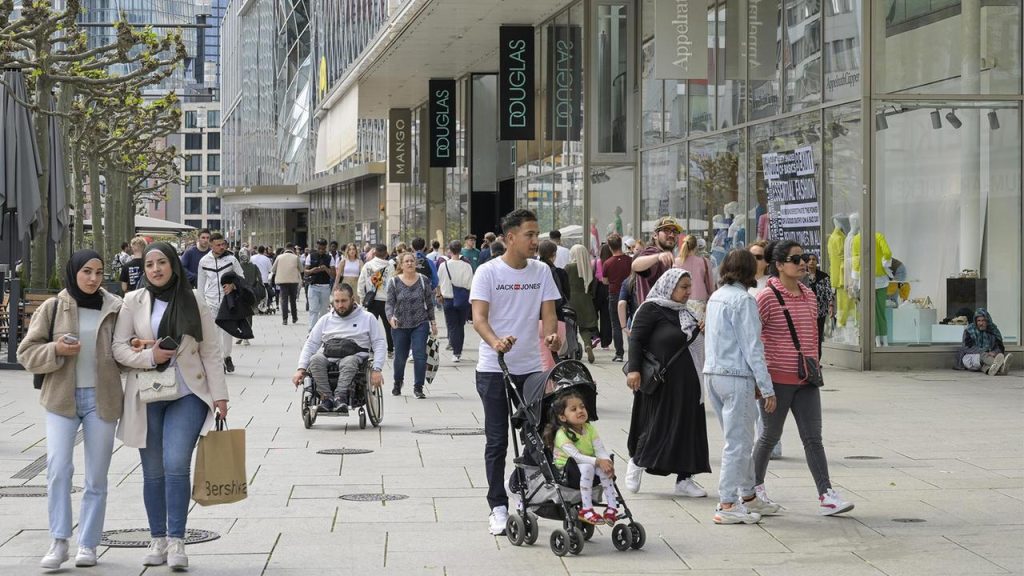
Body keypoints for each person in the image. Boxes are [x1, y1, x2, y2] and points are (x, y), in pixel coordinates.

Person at [112, 243, 229, 570]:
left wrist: (220, 396)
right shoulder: (133, 302)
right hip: (147, 394)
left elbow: (210, 351)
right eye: (149, 264)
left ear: (173, 265)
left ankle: (177, 541)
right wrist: (150, 356)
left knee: (176, 463)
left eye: (162, 262)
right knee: (152, 472)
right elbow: (118, 348)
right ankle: (157, 537)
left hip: (188, 393)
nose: (155, 269)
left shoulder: (195, 300)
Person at [18, 250, 123, 569]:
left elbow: (124, 349)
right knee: (58, 470)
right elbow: (26, 353)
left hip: (102, 400)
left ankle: (89, 544)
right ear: (74, 272)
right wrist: (56, 349)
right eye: (86, 271)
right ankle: (59, 540)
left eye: (99, 272)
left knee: (96, 477)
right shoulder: (54, 307)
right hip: (62, 399)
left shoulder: (115, 307)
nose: (93, 278)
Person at [471, 208, 562, 535]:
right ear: (510, 238)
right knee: (497, 440)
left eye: (537, 234)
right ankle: (497, 505)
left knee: (540, 435)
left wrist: (551, 335)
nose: (536, 240)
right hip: (494, 368)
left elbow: (549, 313)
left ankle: (522, 486)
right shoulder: (487, 272)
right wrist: (496, 342)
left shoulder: (541, 272)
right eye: (530, 235)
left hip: (532, 368)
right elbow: (479, 317)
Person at [754, 240, 854, 516]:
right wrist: (759, 381)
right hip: (777, 380)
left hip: (807, 379)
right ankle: (754, 488)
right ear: (780, 265)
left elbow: (812, 336)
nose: (803, 264)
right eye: (796, 259)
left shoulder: (809, 295)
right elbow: (753, 339)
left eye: (805, 258)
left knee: (813, 438)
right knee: (769, 436)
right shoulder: (766, 296)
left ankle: (826, 494)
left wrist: (815, 368)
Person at [703, 249, 781, 524]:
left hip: (713, 373)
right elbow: (752, 347)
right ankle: (726, 503)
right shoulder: (743, 300)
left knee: (737, 441)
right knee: (738, 443)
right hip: (736, 376)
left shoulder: (716, 296)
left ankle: (748, 495)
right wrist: (767, 387)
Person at [624, 268, 710, 499]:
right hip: (661, 382)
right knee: (655, 425)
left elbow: (694, 342)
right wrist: (633, 371)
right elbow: (636, 340)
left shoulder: (687, 312)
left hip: (688, 382)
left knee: (688, 428)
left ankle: (685, 478)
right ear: (669, 286)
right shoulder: (651, 309)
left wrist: (702, 330)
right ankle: (637, 462)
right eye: (683, 287)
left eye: (688, 287)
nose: (687, 292)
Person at [293, 284, 387, 411]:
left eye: (344, 301)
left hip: (354, 357)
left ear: (352, 300)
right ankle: (326, 398)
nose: (340, 305)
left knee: (349, 361)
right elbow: (311, 344)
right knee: (315, 359)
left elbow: (379, 343)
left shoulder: (367, 318)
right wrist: (301, 368)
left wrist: (377, 369)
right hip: (328, 355)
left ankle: (340, 397)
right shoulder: (325, 319)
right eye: (337, 301)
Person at [544, 391, 620, 526]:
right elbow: (576, 457)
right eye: (573, 409)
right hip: (567, 467)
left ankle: (612, 507)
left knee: (604, 469)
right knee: (588, 467)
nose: (580, 411)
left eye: (582, 407)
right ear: (562, 417)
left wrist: (606, 462)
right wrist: (598, 461)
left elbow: (599, 449)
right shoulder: (562, 434)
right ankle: (586, 509)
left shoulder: (589, 428)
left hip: (587, 461)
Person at [386, 252, 438, 398]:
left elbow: (429, 303)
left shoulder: (423, 280)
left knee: (419, 355)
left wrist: (433, 322)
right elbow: (389, 304)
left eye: (412, 261)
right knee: (400, 357)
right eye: (406, 261)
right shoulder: (394, 282)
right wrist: (390, 317)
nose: (409, 263)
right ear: (401, 265)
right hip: (400, 325)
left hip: (420, 323)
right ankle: (398, 382)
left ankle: (418, 387)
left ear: (415, 263)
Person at [196, 232, 244, 373]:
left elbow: (241, 276)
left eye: (224, 244)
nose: (222, 247)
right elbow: (201, 284)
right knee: (214, 333)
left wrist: (233, 286)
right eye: (218, 245)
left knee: (227, 331)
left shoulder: (231, 259)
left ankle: (227, 356)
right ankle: (218, 361)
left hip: (227, 301)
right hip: (210, 300)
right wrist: (201, 304)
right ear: (211, 245)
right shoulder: (204, 261)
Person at [631, 217, 682, 303]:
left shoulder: (666, 255)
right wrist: (658, 256)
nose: (672, 235)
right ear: (655, 235)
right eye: (666, 230)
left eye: (675, 231)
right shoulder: (653, 251)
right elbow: (635, 265)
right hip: (653, 314)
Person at [439, 240, 474, 363]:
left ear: (450, 250)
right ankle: (458, 351)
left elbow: (440, 282)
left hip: (448, 299)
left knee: (452, 326)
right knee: (460, 326)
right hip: (463, 299)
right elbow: (470, 284)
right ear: (460, 250)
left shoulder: (444, 265)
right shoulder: (467, 266)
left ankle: (455, 352)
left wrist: (439, 294)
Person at [359, 244, 396, 358]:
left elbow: (361, 283)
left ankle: (370, 349)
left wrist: (362, 297)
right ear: (386, 253)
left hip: (372, 301)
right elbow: (392, 284)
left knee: (370, 325)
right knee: (388, 326)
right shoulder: (390, 267)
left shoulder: (368, 265)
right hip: (386, 300)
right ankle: (390, 349)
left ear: (374, 253)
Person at [537, 240, 570, 371]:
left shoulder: (532, 271)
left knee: (536, 362)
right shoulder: (560, 273)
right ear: (554, 254)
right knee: (550, 363)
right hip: (556, 319)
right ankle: (547, 389)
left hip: (533, 320)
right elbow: (565, 297)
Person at [566, 244, 598, 364]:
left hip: (571, 300)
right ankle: (588, 345)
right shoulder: (588, 267)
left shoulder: (569, 267)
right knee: (584, 327)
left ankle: (574, 350)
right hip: (586, 300)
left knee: (571, 326)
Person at [603, 234, 632, 362]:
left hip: (614, 294)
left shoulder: (607, 263)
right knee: (632, 321)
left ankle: (619, 353)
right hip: (630, 293)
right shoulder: (630, 260)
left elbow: (605, 281)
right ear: (621, 244)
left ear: (609, 247)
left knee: (616, 324)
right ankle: (634, 350)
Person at [955, 308, 1012, 375]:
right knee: (982, 355)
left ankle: (989, 370)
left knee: (985, 363)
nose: (981, 323)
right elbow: (966, 347)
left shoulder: (993, 330)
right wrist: (984, 352)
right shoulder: (969, 330)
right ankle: (1002, 366)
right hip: (970, 357)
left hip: (986, 359)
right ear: (975, 321)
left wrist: (994, 352)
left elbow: (1000, 347)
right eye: (978, 321)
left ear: (987, 321)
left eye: (983, 320)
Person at [675, 235, 715, 319]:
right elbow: (711, 286)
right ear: (696, 247)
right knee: (699, 330)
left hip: (680, 301)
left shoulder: (676, 262)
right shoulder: (704, 262)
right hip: (700, 302)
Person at [804, 254, 835, 358]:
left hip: (820, 310)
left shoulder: (823, 276)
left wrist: (831, 305)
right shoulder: (802, 276)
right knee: (808, 336)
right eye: (809, 260)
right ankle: (808, 359)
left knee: (818, 335)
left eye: (814, 259)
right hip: (806, 311)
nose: (811, 261)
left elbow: (828, 292)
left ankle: (817, 359)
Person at [304, 239, 336, 330]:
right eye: (319, 248)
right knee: (313, 310)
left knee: (323, 311)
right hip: (313, 286)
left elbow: (333, 274)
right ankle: (312, 331)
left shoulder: (330, 258)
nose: (321, 250)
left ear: (326, 248)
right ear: (316, 247)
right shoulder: (310, 256)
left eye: (323, 249)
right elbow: (305, 272)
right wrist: (312, 271)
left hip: (325, 287)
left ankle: (322, 330)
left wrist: (326, 269)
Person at [271, 242, 303, 325]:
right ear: (293, 249)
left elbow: (273, 269)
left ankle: (284, 319)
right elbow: (302, 269)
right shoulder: (296, 257)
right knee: (293, 300)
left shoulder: (279, 257)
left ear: (285, 248)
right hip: (293, 282)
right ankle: (294, 318)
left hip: (282, 281)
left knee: (284, 300)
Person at [234, 250, 261, 346]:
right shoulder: (254, 267)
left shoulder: (236, 266)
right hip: (250, 293)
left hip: (239, 293)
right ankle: (245, 336)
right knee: (248, 316)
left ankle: (240, 335)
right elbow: (260, 281)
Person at [251, 246, 275, 310]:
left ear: (257, 250)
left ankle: (255, 306)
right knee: (265, 293)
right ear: (264, 251)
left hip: (254, 280)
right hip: (264, 279)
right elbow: (270, 270)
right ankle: (265, 305)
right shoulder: (267, 259)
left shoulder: (252, 258)